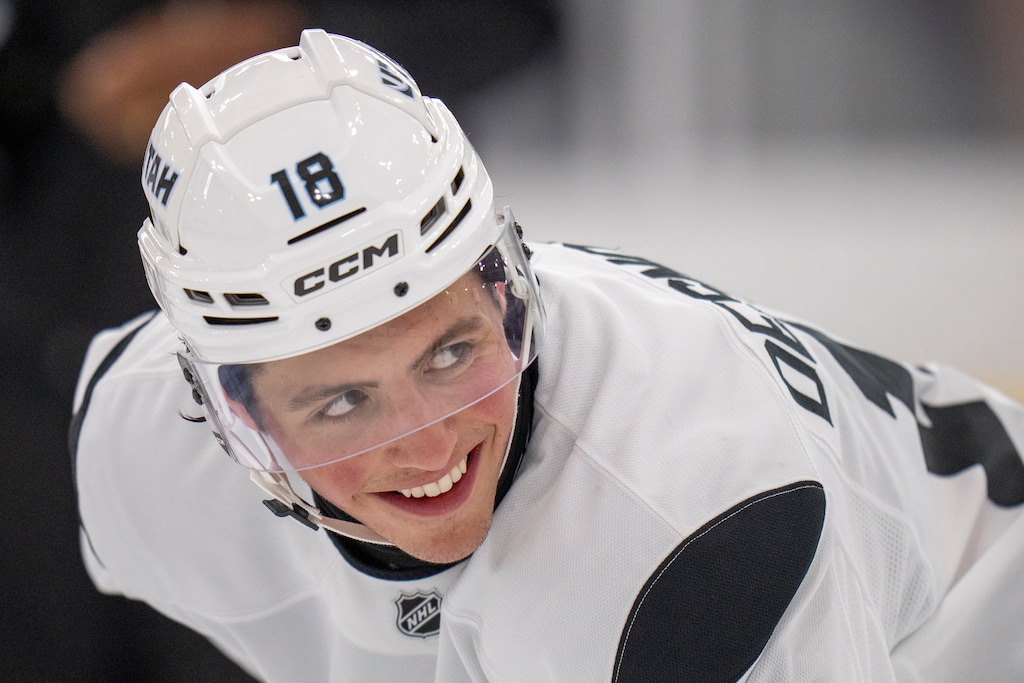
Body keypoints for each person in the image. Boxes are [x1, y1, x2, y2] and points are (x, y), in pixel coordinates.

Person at [71, 29, 1024, 682]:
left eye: (451, 353)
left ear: (508, 293)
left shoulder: (691, 531)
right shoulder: (140, 455)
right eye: (342, 404)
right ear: (231, 416)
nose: (430, 445)